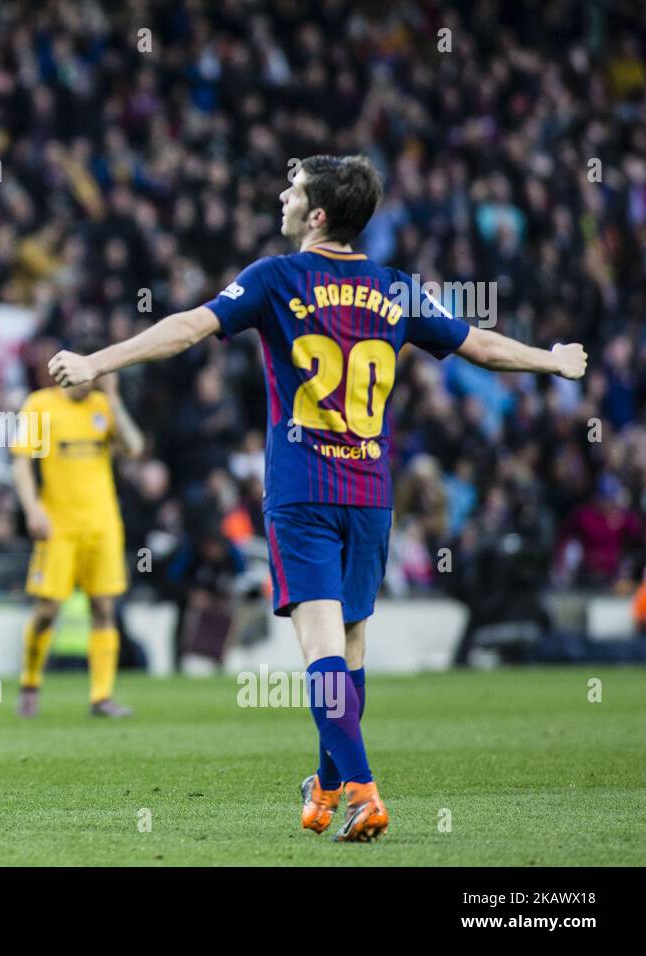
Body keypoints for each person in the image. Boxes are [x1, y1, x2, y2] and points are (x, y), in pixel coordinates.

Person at [48, 155, 588, 842]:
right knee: (351, 647)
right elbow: (478, 345)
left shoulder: (277, 278)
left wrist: (97, 361)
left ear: (319, 215)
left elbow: (187, 327)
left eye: (294, 190)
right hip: (370, 493)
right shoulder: (395, 288)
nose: (282, 195)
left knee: (320, 650)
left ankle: (362, 788)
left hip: (303, 491)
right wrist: (552, 360)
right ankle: (329, 786)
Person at [10, 370, 143, 718]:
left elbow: (134, 447)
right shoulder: (41, 405)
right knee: (47, 611)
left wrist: (114, 398)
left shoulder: (102, 406)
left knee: (104, 609)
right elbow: (22, 462)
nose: (87, 382)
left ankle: (101, 697)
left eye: (94, 374)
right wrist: (32, 508)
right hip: (58, 526)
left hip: (103, 525)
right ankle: (30, 682)